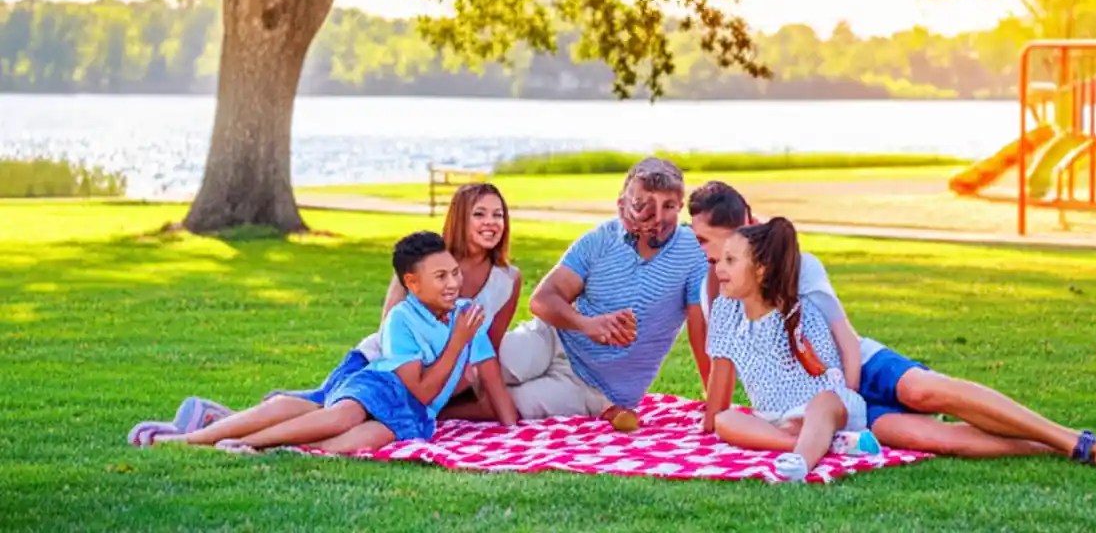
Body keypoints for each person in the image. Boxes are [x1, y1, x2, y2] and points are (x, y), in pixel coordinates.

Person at [687, 181, 1096, 476]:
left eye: (711, 241)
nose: (706, 252)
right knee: (934, 439)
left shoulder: (798, 266)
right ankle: (1050, 447)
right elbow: (725, 386)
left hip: (855, 368)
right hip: (817, 406)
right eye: (704, 241)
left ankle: (1081, 442)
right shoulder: (720, 294)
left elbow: (844, 338)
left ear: (743, 234)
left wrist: (846, 398)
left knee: (928, 392)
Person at [128, 183, 520, 447]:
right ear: (459, 218)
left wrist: (504, 423)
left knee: (326, 415)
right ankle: (218, 426)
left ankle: (225, 421)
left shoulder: (505, 280)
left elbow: (487, 350)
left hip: (427, 385)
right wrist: (446, 359)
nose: (491, 224)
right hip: (383, 365)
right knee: (327, 411)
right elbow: (391, 333)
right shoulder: (422, 260)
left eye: (497, 215)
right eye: (480, 215)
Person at [483, 157, 709, 430]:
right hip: (552, 339)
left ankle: (427, 412)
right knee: (481, 367)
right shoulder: (599, 240)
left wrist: (714, 407)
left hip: (594, 389)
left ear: (680, 207)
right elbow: (542, 299)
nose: (658, 218)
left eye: (669, 206)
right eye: (642, 205)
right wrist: (587, 325)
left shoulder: (692, 252)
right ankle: (418, 396)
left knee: (503, 403)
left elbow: (702, 332)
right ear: (622, 204)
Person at [703, 217, 883, 482]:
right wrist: (710, 421)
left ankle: (800, 463)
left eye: (731, 261)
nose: (719, 268)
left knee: (824, 402)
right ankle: (818, 444)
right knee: (725, 420)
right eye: (720, 260)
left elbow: (830, 375)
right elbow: (720, 370)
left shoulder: (796, 312)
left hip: (822, 406)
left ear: (761, 270)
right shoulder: (725, 311)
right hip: (772, 419)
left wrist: (808, 414)